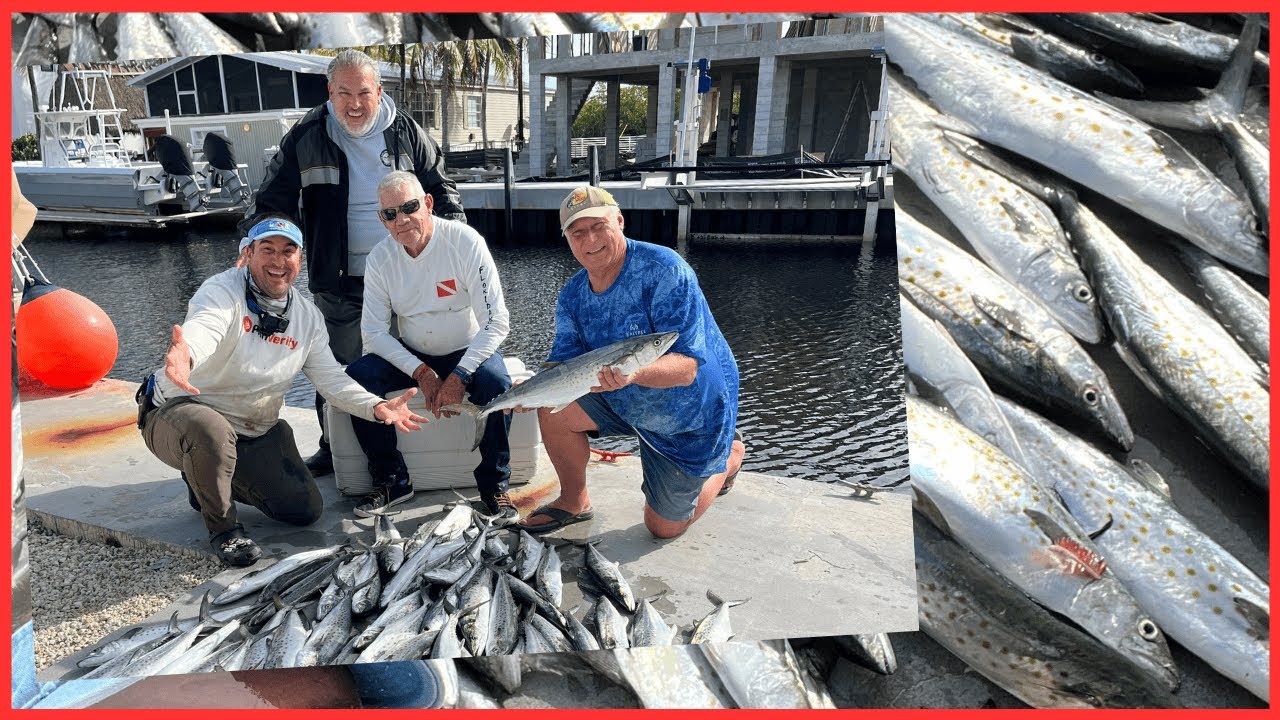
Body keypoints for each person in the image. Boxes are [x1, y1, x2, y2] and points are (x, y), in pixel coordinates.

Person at [137, 216, 429, 566]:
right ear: (247, 254)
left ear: (300, 261)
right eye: (267, 250)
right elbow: (204, 327)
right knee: (209, 432)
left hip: (251, 428)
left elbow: (331, 380)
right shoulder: (222, 290)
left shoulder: (307, 318)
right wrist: (186, 355)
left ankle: (202, 478)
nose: (278, 260)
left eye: (288, 251)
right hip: (179, 409)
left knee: (302, 510)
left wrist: (377, 406)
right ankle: (224, 531)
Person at [247, 48, 466, 479]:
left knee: (407, 362)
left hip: (408, 275)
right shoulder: (307, 134)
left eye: (363, 92)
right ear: (330, 91)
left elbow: (440, 189)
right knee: (336, 368)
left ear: (379, 91)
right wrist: (259, 241)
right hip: (339, 280)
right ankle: (334, 446)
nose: (354, 103)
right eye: (343, 92)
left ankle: (408, 451)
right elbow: (272, 200)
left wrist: (456, 241)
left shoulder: (406, 131)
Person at [520, 186, 746, 539]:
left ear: (620, 221)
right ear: (567, 239)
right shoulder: (572, 295)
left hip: (689, 410)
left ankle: (728, 456)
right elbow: (563, 363)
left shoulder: (665, 270)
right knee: (551, 409)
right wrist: (530, 390)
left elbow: (687, 367)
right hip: (620, 393)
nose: (590, 239)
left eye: (599, 226)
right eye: (578, 232)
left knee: (663, 528)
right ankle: (574, 500)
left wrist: (633, 373)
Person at [344, 171, 517, 519]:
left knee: (497, 385)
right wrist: (421, 372)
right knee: (356, 379)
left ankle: (494, 485)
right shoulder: (380, 259)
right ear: (382, 220)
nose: (402, 220)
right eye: (390, 214)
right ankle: (392, 480)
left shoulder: (465, 242)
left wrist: (460, 375)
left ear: (428, 203)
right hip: (412, 354)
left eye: (409, 207)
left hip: (467, 349)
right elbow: (374, 334)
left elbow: (497, 321)